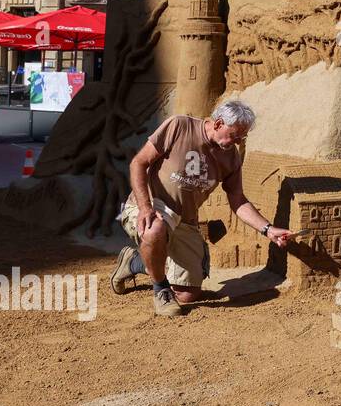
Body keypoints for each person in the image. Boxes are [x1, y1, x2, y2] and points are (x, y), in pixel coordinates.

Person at [110, 101, 296, 317]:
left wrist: (268, 229)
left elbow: (237, 200)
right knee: (155, 229)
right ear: (218, 123)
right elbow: (138, 163)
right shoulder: (180, 126)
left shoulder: (231, 157)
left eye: (242, 137)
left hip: (185, 219)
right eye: (235, 135)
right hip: (152, 206)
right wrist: (144, 207)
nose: (238, 141)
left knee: (188, 294)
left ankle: (134, 262)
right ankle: (161, 290)